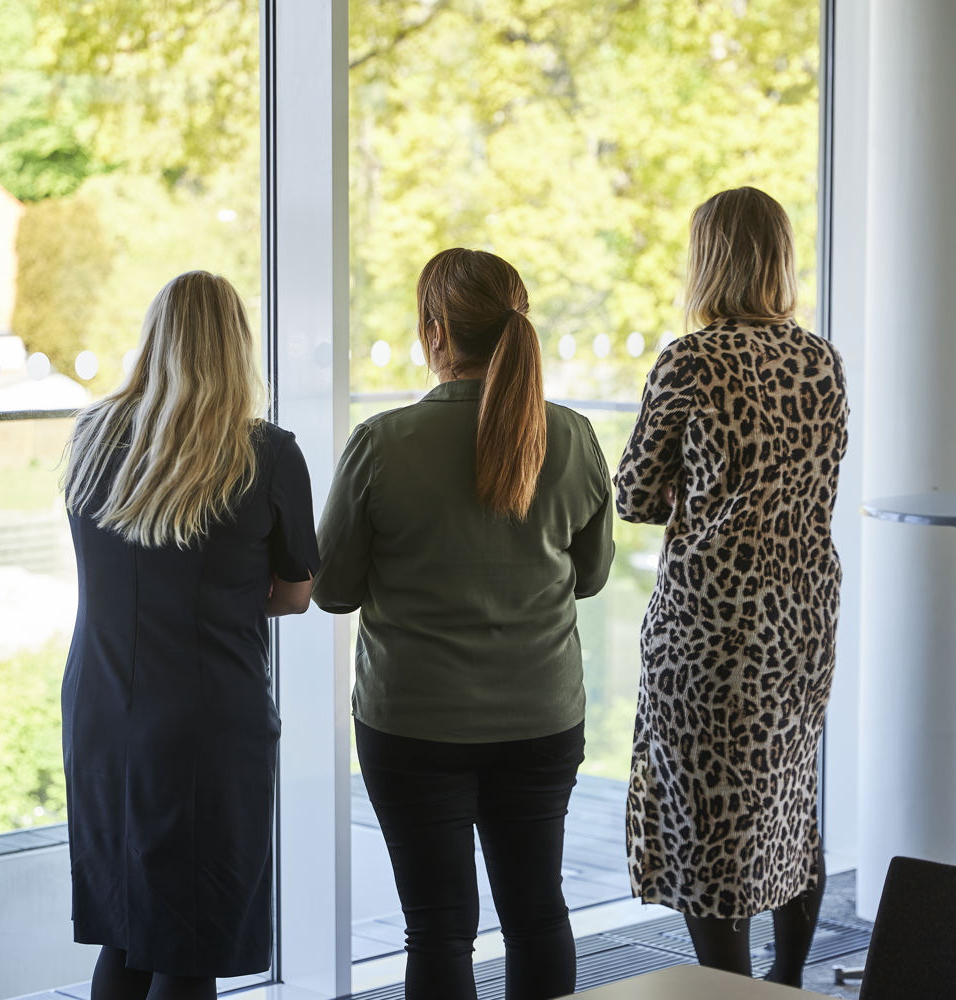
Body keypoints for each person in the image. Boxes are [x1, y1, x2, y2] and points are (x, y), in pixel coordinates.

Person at [314, 248, 615, 1000]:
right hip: (541, 718)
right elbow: (594, 576)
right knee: (537, 911)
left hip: (414, 724)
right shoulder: (572, 436)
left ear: (434, 330)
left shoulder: (381, 444)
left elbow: (334, 591)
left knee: (439, 927)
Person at [61, 271, 320, 1000]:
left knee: (127, 933)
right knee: (189, 941)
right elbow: (297, 593)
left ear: (153, 340)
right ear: (237, 347)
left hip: (101, 713)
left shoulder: (90, 436)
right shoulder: (265, 454)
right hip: (206, 725)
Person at [614, 187, 849, 986]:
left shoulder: (693, 359)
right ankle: (786, 980)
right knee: (785, 798)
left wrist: (699, 491)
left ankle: (731, 991)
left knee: (711, 820)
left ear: (706, 260)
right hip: (804, 616)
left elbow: (635, 497)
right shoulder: (821, 359)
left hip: (711, 623)